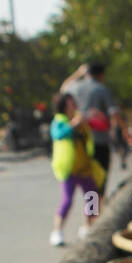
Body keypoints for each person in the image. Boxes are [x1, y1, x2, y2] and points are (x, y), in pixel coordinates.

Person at [48, 92, 105, 246]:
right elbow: (59, 134)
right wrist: (74, 123)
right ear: (63, 106)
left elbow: (101, 126)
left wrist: (97, 117)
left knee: (92, 196)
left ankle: (87, 226)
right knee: (67, 200)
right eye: (70, 103)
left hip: (85, 166)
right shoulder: (59, 121)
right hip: (68, 168)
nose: (74, 106)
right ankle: (57, 231)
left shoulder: (81, 118)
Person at [59, 62, 123, 193]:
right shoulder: (101, 88)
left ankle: (92, 210)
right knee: (99, 179)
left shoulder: (73, 87)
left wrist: (78, 73)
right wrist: (124, 131)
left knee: (90, 181)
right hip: (99, 140)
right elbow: (114, 113)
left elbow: (63, 88)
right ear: (101, 75)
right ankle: (95, 211)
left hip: (80, 142)